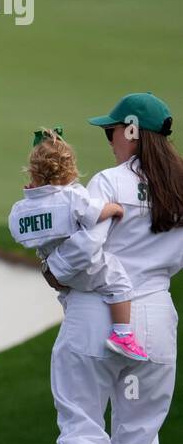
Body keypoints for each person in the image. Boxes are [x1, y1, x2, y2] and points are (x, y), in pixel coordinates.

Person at [43, 93, 183, 444]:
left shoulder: (109, 181)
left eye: (112, 131)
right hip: (157, 317)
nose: (110, 139)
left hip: (97, 312)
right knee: (140, 439)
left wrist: (54, 270)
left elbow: (87, 248)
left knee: (82, 426)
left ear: (132, 132)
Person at [8, 128, 144, 360]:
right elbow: (93, 214)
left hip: (56, 271)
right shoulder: (72, 197)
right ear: (68, 169)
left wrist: (34, 198)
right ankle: (122, 334)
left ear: (33, 172)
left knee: (67, 296)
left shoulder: (21, 208)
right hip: (87, 268)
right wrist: (113, 209)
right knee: (119, 283)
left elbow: (18, 232)